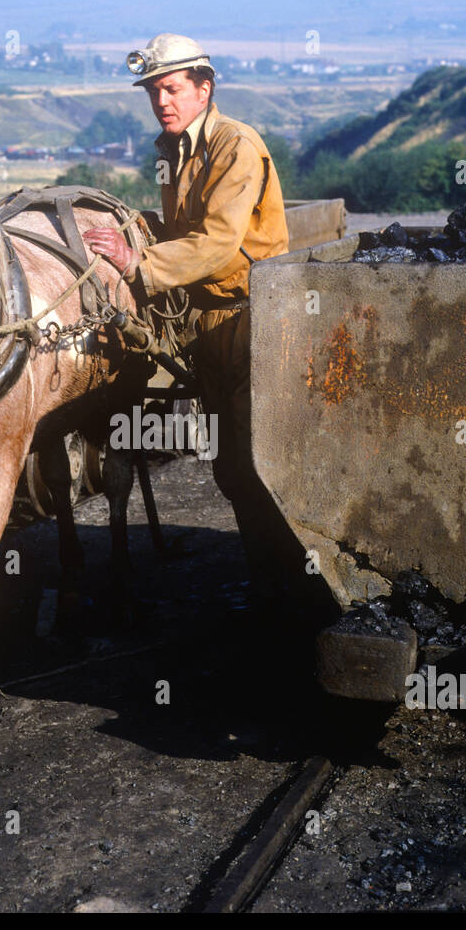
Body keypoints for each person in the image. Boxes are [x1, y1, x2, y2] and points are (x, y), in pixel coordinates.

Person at [83, 32, 303, 608]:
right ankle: (266, 584)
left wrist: (140, 263)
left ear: (205, 88)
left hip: (254, 318)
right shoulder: (170, 152)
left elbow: (218, 242)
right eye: (154, 91)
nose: (162, 101)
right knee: (230, 467)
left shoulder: (236, 145)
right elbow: (177, 229)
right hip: (207, 323)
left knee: (262, 464)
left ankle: (292, 590)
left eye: (173, 88)